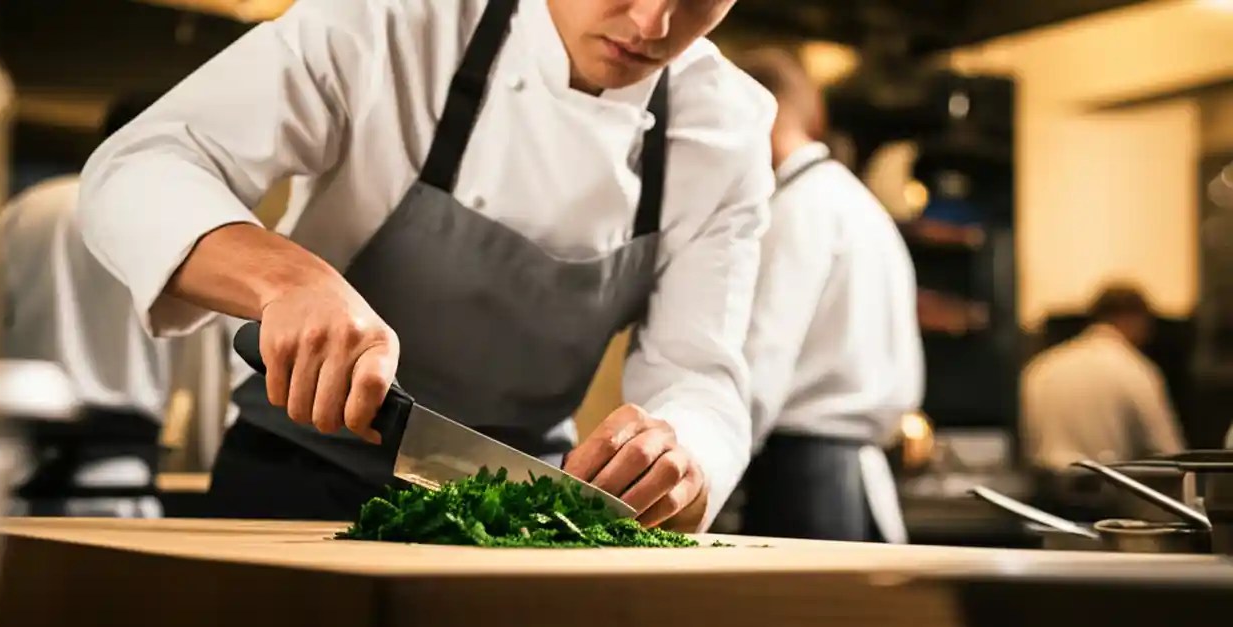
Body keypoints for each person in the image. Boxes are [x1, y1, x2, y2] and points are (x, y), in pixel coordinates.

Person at [78, 0, 776, 531]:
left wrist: (682, 456)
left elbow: (701, 372)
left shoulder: (729, 128)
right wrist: (286, 278)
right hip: (290, 488)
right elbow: (140, 166)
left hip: (519, 516)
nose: (653, 22)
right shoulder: (396, 18)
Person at [733, 48, 924, 543]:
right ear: (812, 112)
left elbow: (762, 358)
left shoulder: (798, 208)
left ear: (741, 111)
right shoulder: (855, 202)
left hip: (803, 476)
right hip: (854, 469)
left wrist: (711, 460)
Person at [0, 91, 184, 518]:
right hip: (119, 479)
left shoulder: (29, 208)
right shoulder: (176, 227)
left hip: (18, 469)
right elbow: (213, 367)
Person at [1023, 284, 1185, 477]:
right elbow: (1168, 454)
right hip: (1108, 491)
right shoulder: (1135, 369)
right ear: (1136, 319)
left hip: (1044, 491)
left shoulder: (1042, 366)